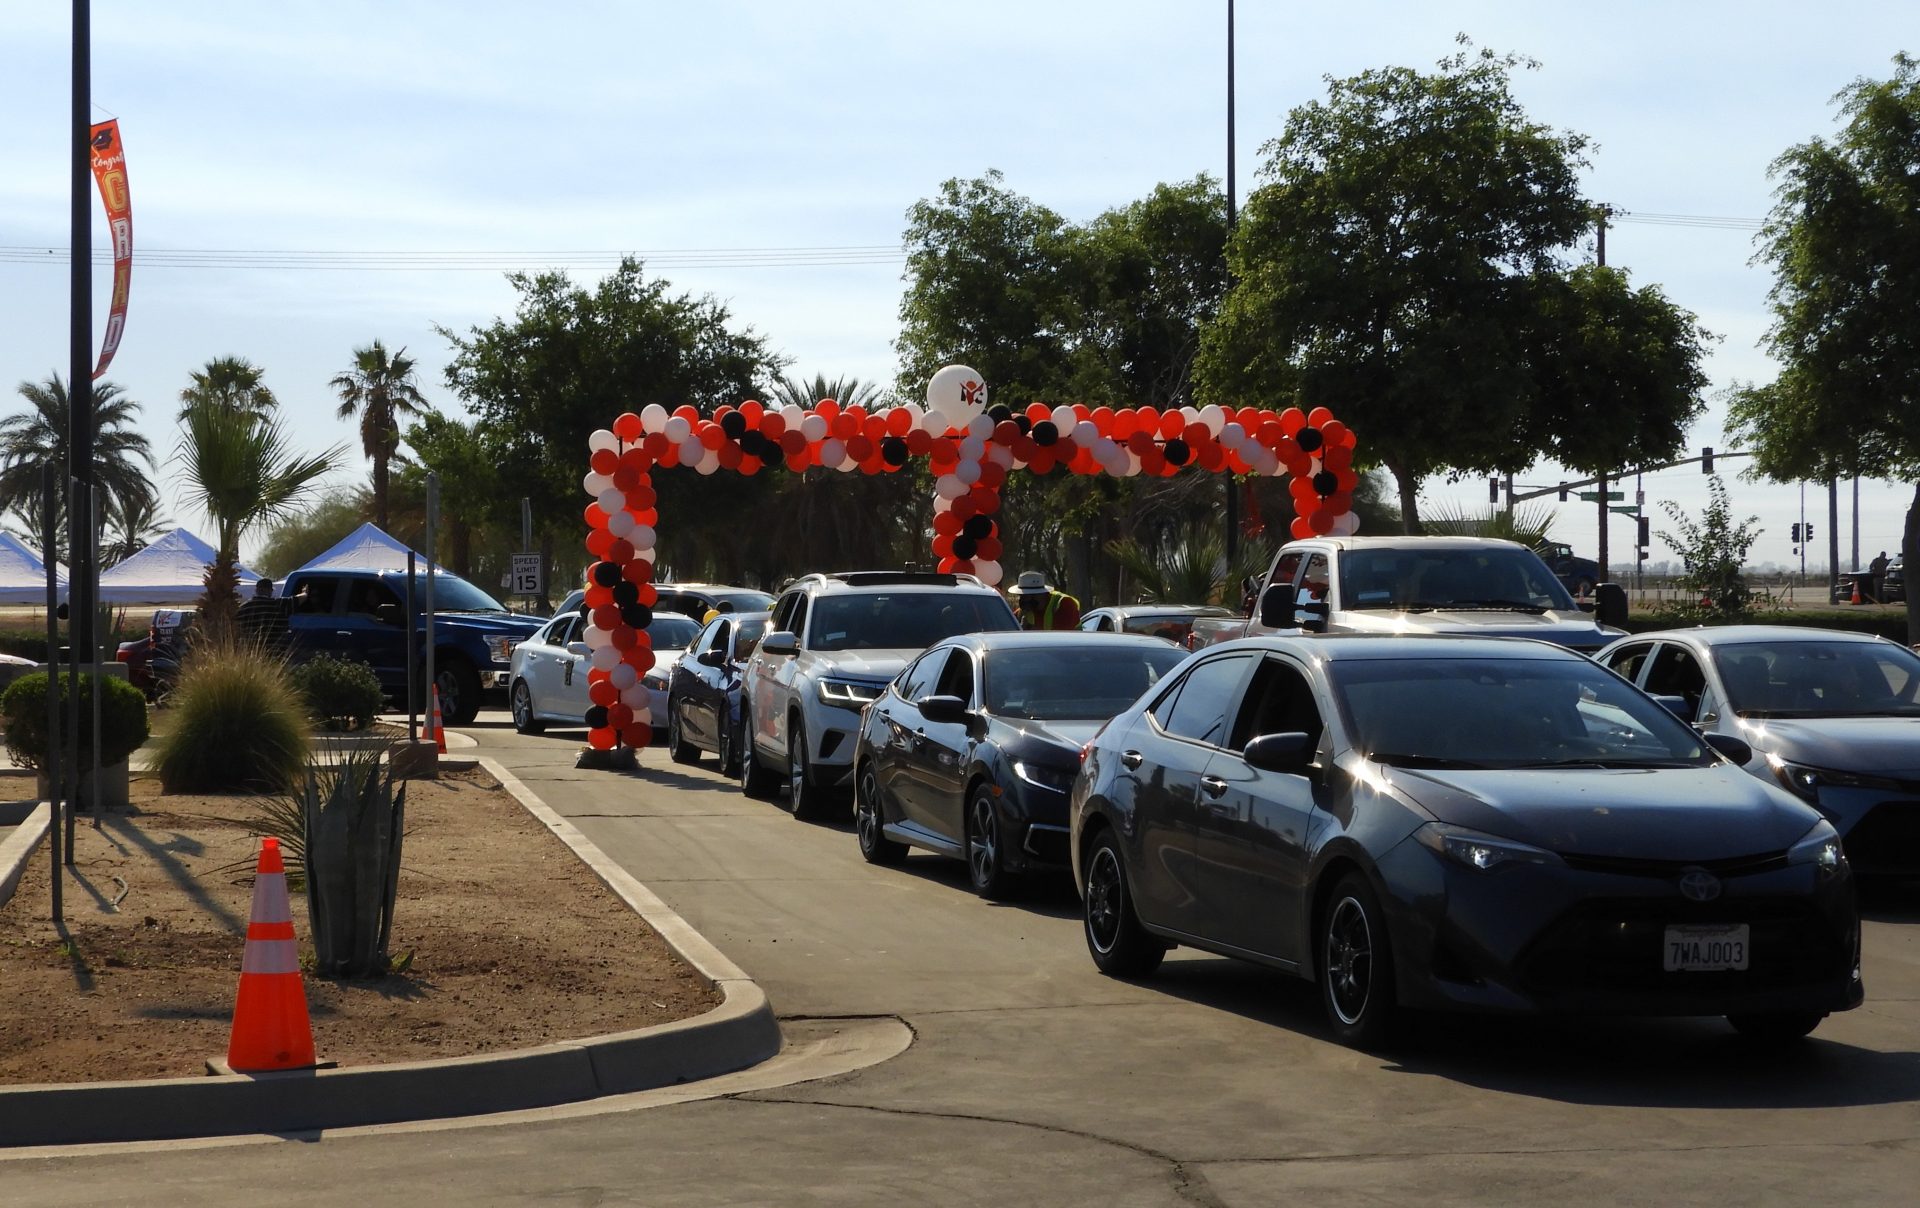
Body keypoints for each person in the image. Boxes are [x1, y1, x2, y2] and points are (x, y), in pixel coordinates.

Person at [1009, 570, 1081, 631]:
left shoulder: (1065, 604)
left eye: (1026, 596)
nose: (1023, 600)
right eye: (1021, 596)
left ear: (1041, 594)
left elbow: (1061, 639)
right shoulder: (1023, 612)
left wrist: (1028, 631)